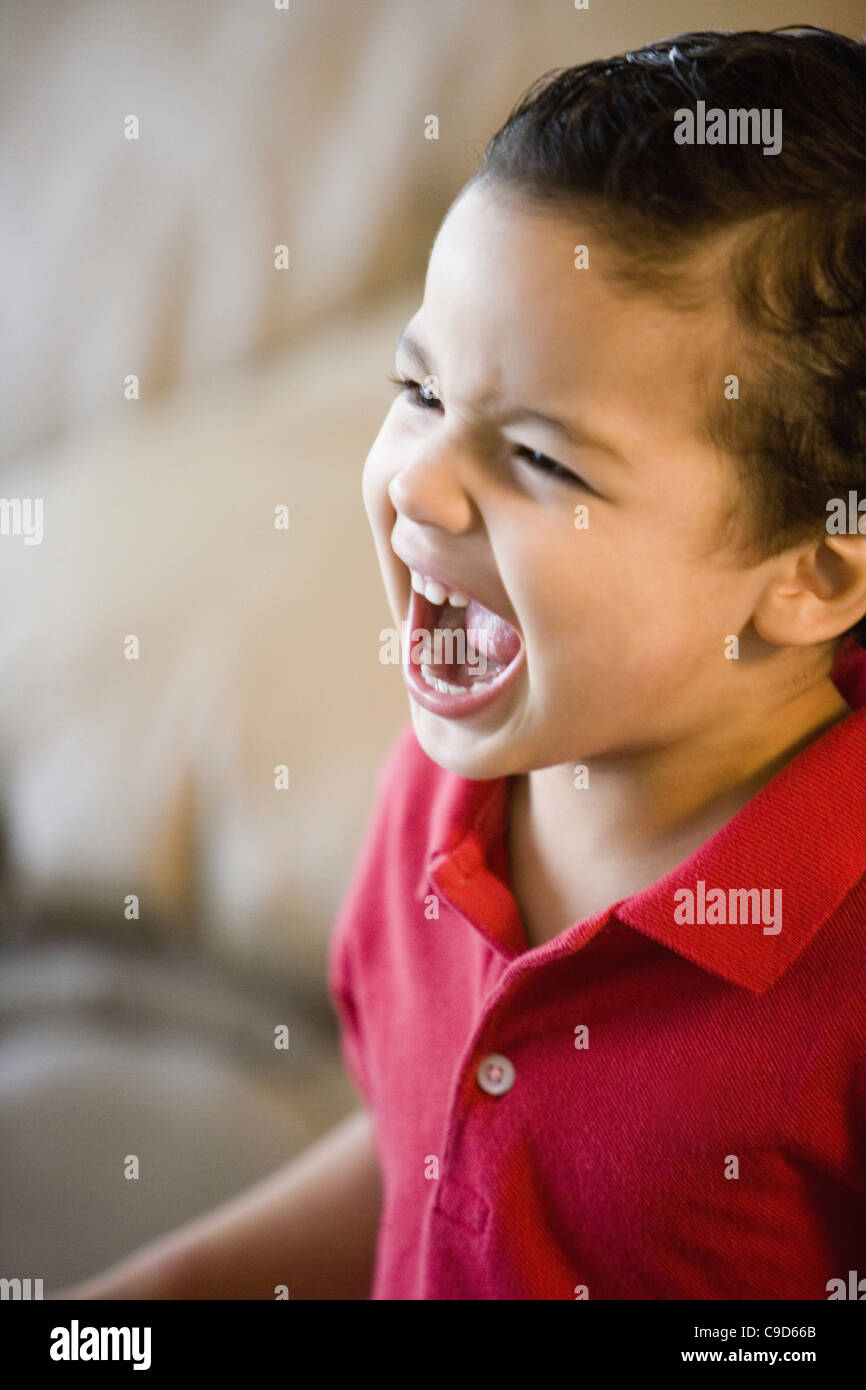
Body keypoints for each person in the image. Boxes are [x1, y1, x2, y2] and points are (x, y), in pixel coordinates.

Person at [56, 24, 866, 1300]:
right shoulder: (445, 803)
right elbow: (433, 1150)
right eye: (419, 391)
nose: (418, 487)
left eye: (541, 459)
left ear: (811, 575)